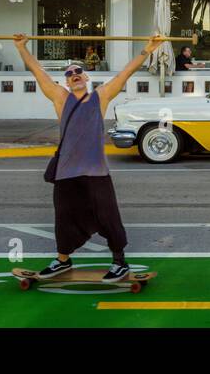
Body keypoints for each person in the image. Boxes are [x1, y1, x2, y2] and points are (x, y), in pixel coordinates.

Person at [13, 33, 165, 283]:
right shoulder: (60, 98)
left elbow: (125, 74)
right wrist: (21, 48)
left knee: (108, 217)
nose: (74, 74)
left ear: (86, 77)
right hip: (66, 172)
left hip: (96, 172)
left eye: (78, 72)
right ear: (67, 81)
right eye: (69, 73)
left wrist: (147, 49)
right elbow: (37, 71)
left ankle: (119, 262)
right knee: (63, 218)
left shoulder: (100, 97)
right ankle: (63, 260)